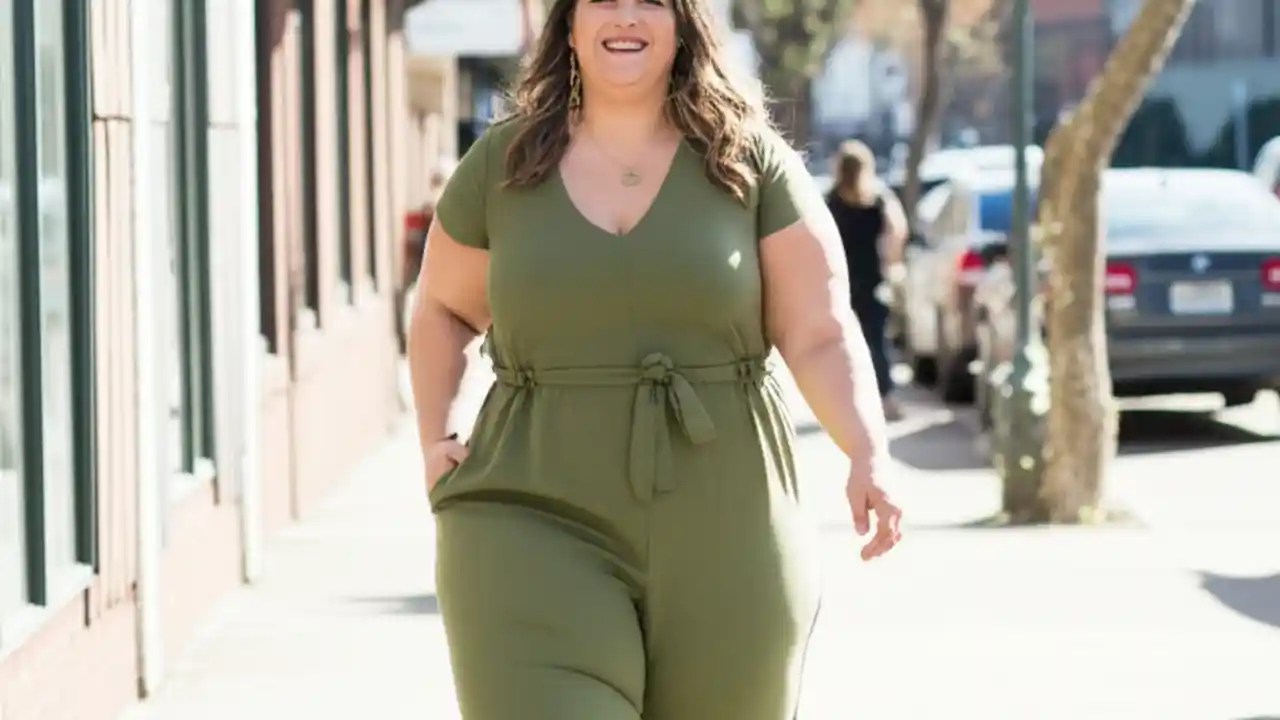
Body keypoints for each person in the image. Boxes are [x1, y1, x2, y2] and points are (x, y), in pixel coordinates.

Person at [406, 1, 902, 717]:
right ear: (569, 23)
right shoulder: (503, 164)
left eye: (649, 0)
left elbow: (819, 330)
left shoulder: (750, 162)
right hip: (528, 519)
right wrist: (435, 437)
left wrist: (867, 452)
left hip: (729, 526)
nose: (624, 16)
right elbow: (444, 310)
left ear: (684, 22)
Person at [827, 140, 909, 421]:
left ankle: (847, 404)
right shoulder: (877, 198)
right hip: (873, 279)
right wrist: (891, 263)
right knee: (876, 343)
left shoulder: (831, 201)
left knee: (843, 346)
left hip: (840, 282)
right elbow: (898, 231)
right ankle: (885, 399)